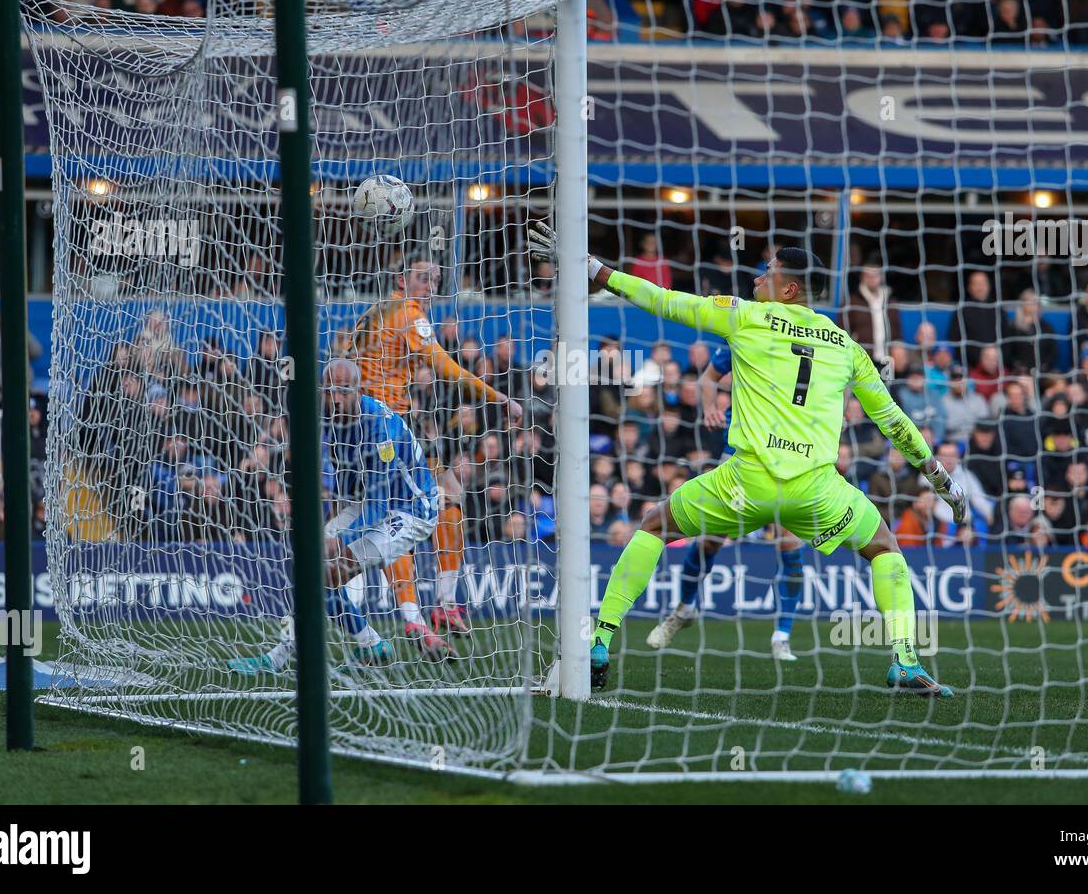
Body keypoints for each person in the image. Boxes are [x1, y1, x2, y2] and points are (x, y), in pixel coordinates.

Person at [532, 224, 966, 696]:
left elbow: (663, 300)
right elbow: (893, 420)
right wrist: (937, 474)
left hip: (744, 483)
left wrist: (594, 269)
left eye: (769, 272)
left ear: (790, 288)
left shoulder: (746, 316)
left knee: (656, 525)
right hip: (816, 491)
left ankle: (599, 641)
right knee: (884, 548)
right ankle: (904, 659)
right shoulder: (846, 345)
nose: (759, 278)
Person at [339, 256, 522, 652]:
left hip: (379, 426)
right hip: (383, 429)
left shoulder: (375, 311)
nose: (431, 284)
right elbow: (446, 368)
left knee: (446, 497)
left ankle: (438, 608)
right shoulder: (408, 313)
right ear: (401, 279)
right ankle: (418, 617)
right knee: (399, 514)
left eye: (436, 278)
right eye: (423, 277)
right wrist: (499, 397)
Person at [228, 359, 441, 674]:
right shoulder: (326, 417)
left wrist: (339, 540)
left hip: (409, 509)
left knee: (328, 570)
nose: (336, 398)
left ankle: (282, 657)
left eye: (343, 391)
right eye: (330, 391)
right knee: (310, 567)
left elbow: (379, 507)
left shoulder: (378, 428)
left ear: (357, 390)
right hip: (366, 500)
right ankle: (371, 644)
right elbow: (342, 482)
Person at [645, 342, 807, 661]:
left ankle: (782, 636)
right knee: (711, 540)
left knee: (790, 542)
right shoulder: (744, 332)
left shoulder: (804, 339)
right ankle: (684, 608)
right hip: (741, 452)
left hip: (787, 454)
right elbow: (709, 377)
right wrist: (709, 406)